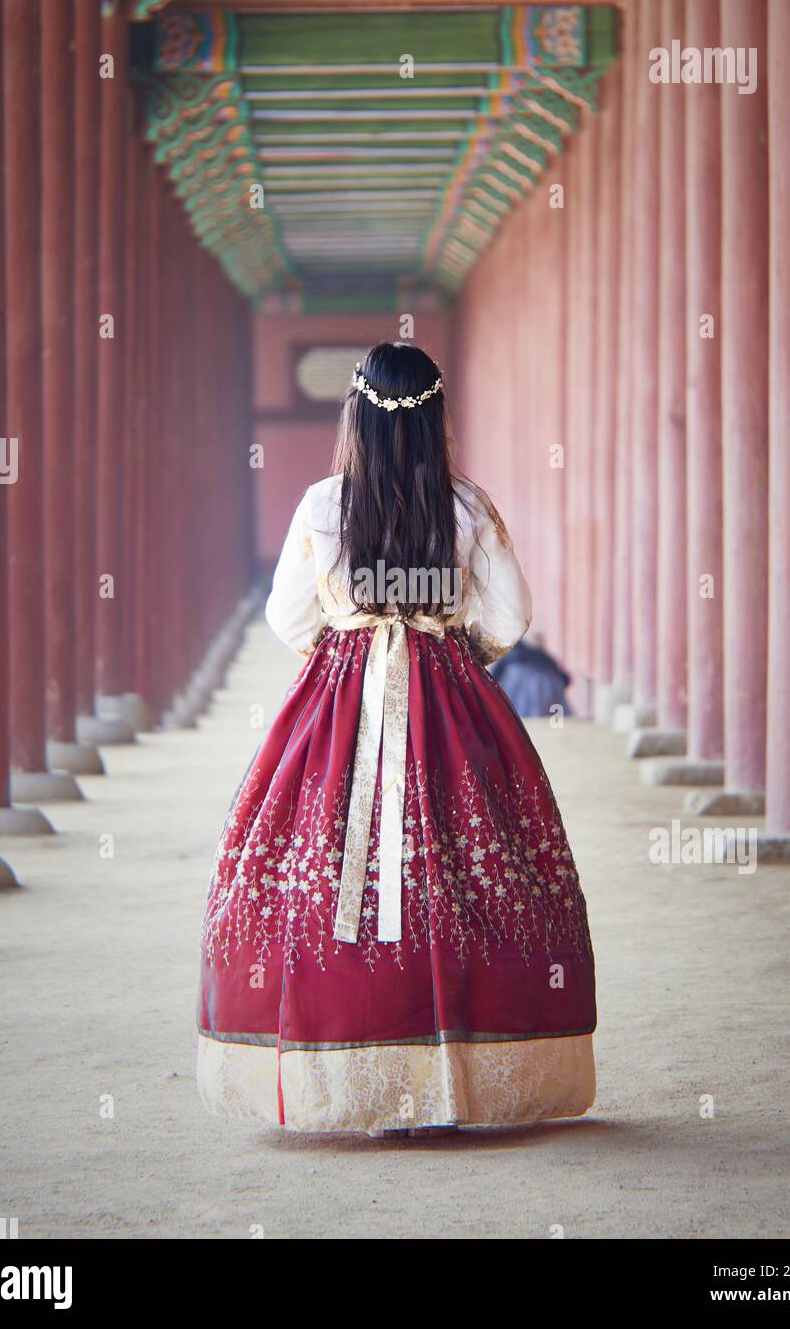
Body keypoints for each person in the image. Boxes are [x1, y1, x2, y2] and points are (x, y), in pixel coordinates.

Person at [197, 342, 596, 1134]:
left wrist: (343, 647)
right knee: (461, 869)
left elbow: (286, 618)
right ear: (437, 420)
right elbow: (511, 618)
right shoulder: (469, 507)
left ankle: (350, 1072)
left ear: (355, 417)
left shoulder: (319, 505)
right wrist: (453, 651)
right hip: (450, 700)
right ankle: (454, 1078)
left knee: (330, 872)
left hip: (342, 698)